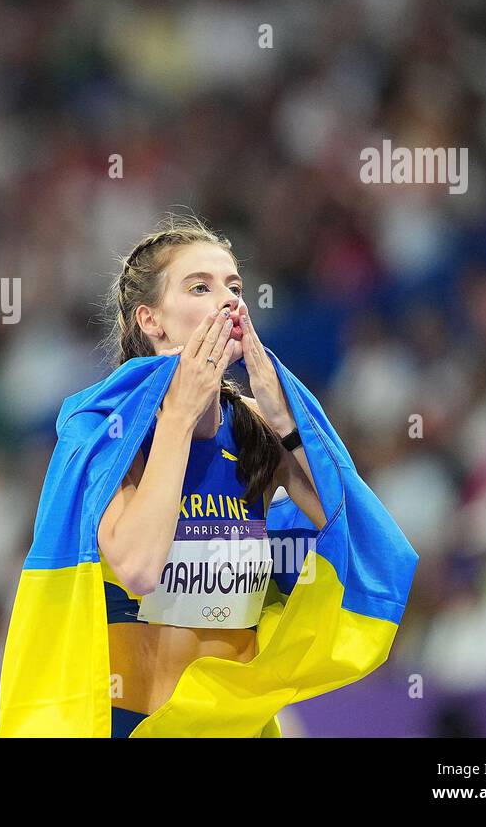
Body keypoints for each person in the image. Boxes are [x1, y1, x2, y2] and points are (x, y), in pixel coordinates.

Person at [98, 214, 329, 737]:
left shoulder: (253, 426)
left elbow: (352, 531)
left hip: (236, 726)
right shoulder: (109, 429)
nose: (228, 301)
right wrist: (178, 418)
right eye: (199, 287)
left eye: (234, 287)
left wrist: (286, 421)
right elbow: (136, 568)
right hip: (137, 726)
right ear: (151, 321)